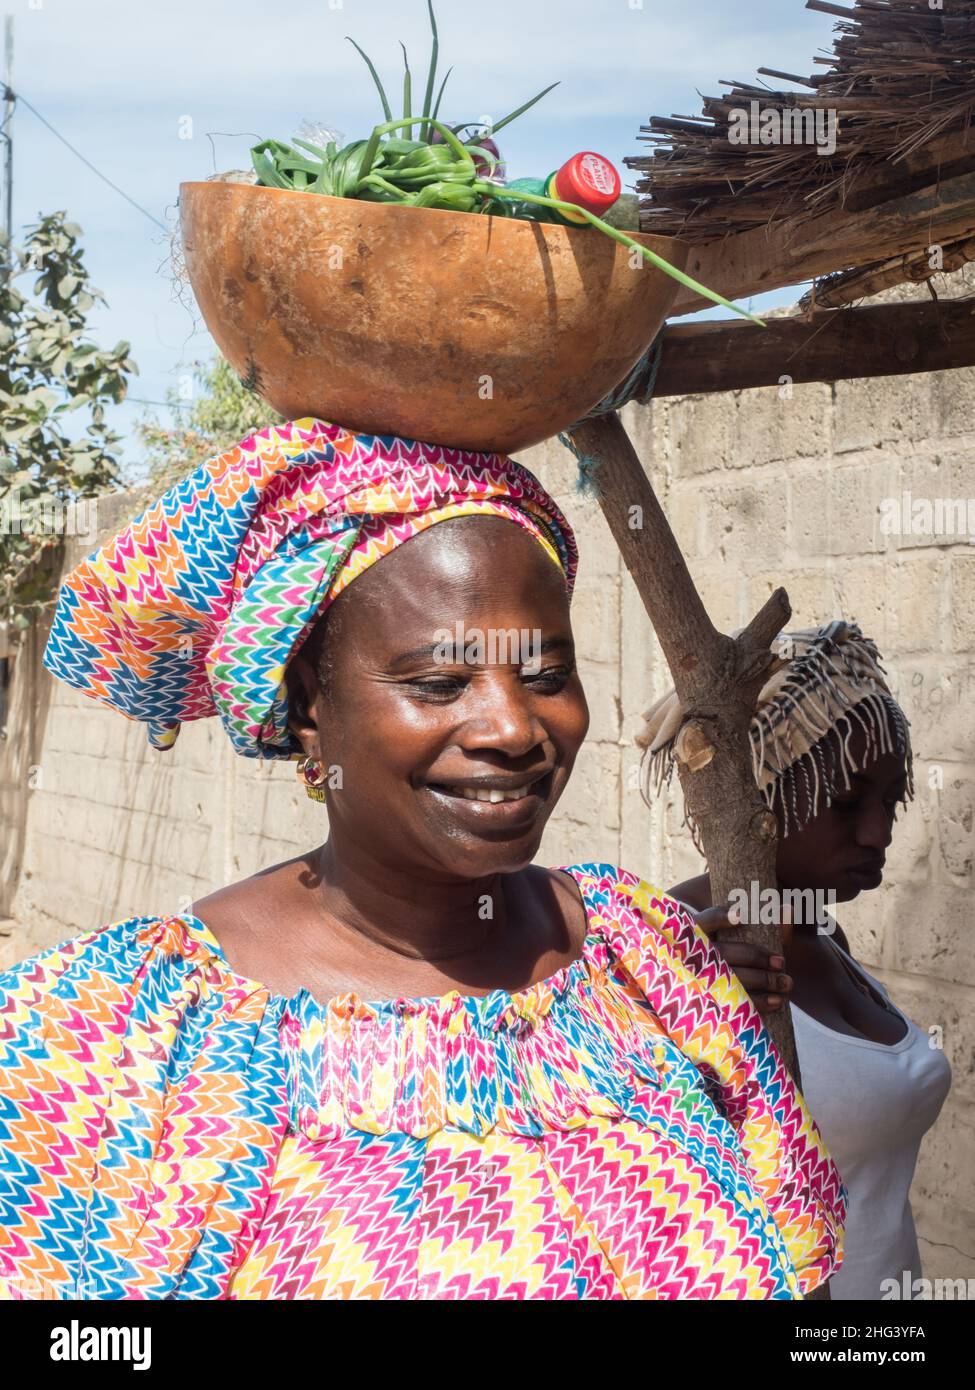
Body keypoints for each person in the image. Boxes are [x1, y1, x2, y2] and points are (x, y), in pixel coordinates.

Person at [0, 418, 845, 1301]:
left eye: (547, 674)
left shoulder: (648, 959)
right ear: (304, 706)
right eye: (438, 685)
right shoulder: (116, 1034)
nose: (514, 730)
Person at [636, 621, 952, 1301]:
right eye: (844, 803)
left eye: (888, 800)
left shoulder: (817, 934)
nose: (878, 833)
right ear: (760, 796)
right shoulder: (677, 958)